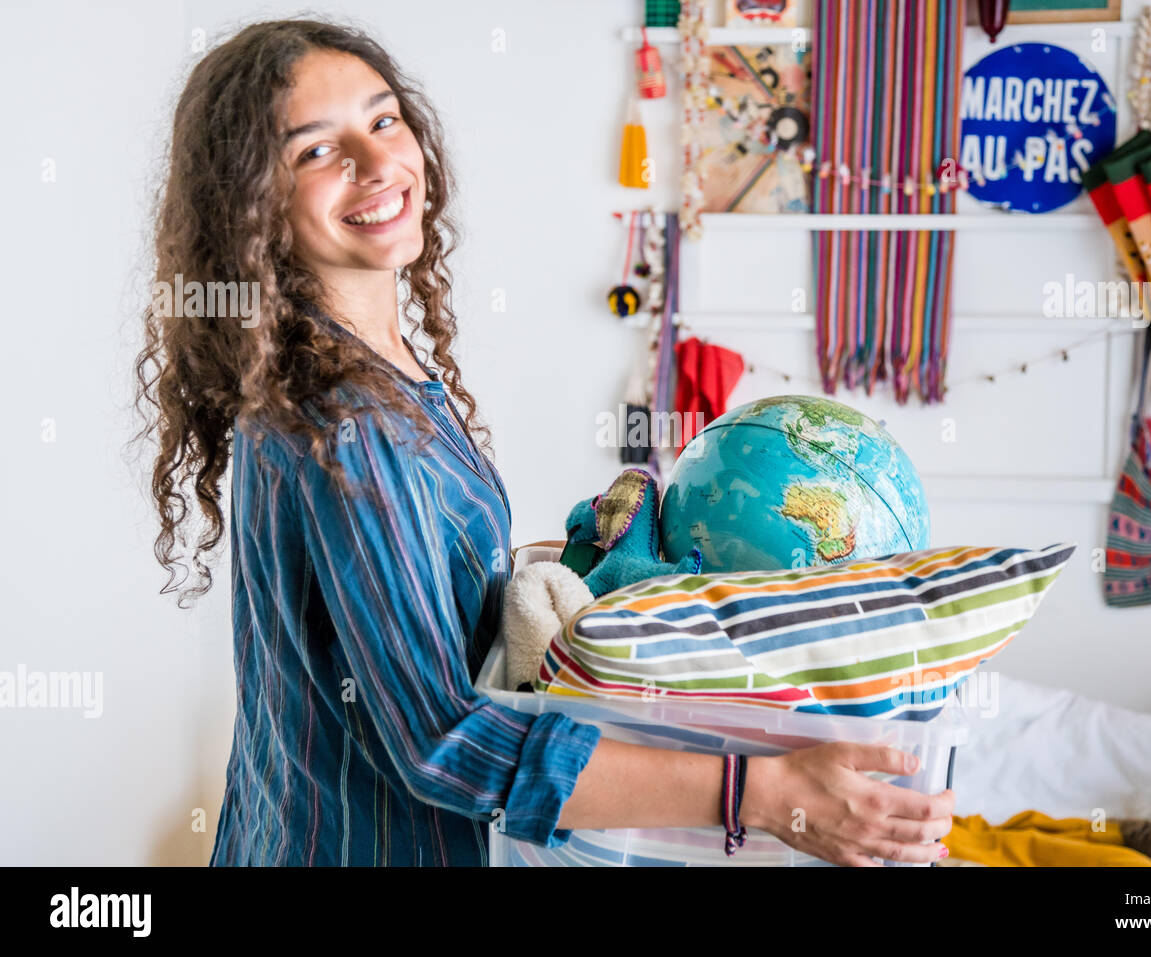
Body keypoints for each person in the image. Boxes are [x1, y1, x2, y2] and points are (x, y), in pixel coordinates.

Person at [134, 17, 954, 867]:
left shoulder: (366, 372)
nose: (378, 164)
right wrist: (763, 792)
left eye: (383, 121)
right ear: (251, 203)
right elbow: (443, 741)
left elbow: (416, 616)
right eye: (315, 150)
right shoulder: (346, 422)